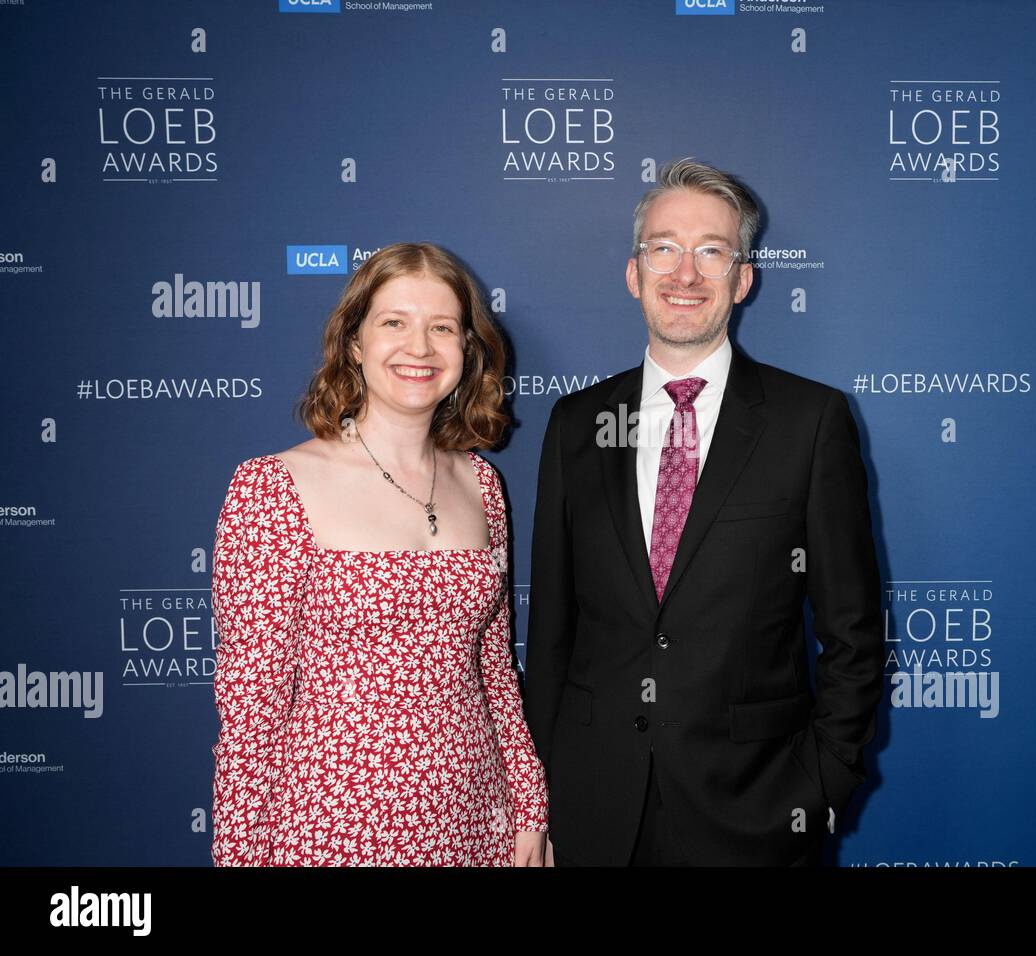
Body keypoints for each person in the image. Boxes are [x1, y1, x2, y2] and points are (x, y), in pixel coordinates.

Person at [523, 159, 884, 866]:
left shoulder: (810, 422)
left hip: (755, 813)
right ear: (634, 272)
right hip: (594, 808)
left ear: (743, 278)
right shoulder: (576, 423)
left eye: (712, 251)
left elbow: (854, 636)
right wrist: (543, 798)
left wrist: (819, 785)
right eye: (663, 247)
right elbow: (551, 633)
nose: (684, 273)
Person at [209, 242, 547, 866]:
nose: (419, 347)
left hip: (476, 819)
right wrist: (239, 857)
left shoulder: (482, 484)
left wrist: (529, 809)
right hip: (332, 829)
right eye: (394, 322)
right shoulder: (274, 487)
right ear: (355, 344)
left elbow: (495, 671)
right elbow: (251, 710)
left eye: (441, 327)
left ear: (466, 352)